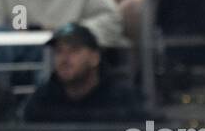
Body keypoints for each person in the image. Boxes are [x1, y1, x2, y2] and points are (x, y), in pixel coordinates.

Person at [19, 22, 147, 123]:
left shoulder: (123, 100)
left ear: (95, 58)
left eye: (74, 50)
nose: (64, 58)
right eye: (59, 51)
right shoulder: (42, 100)